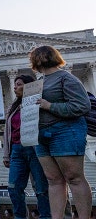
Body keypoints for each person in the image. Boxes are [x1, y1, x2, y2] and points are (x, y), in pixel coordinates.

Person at [29, 45, 92, 219]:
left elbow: (82, 106)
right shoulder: (39, 82)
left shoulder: (66, 78)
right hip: (41, 135)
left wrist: (49, 106)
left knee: (74, 178)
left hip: (65, 132)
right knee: (53, 181)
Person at [2, 74, 51, 219]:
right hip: (17, 150)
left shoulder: (39, 101)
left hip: (36, 148)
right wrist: (6, 153)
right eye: (15, 84)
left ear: (29, 86)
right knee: (13, 188)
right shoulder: (13, 107)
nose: (15, 87)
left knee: (41, 189)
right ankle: (20, 216)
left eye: (19, 84)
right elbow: (7, 131)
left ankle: (46, 216)